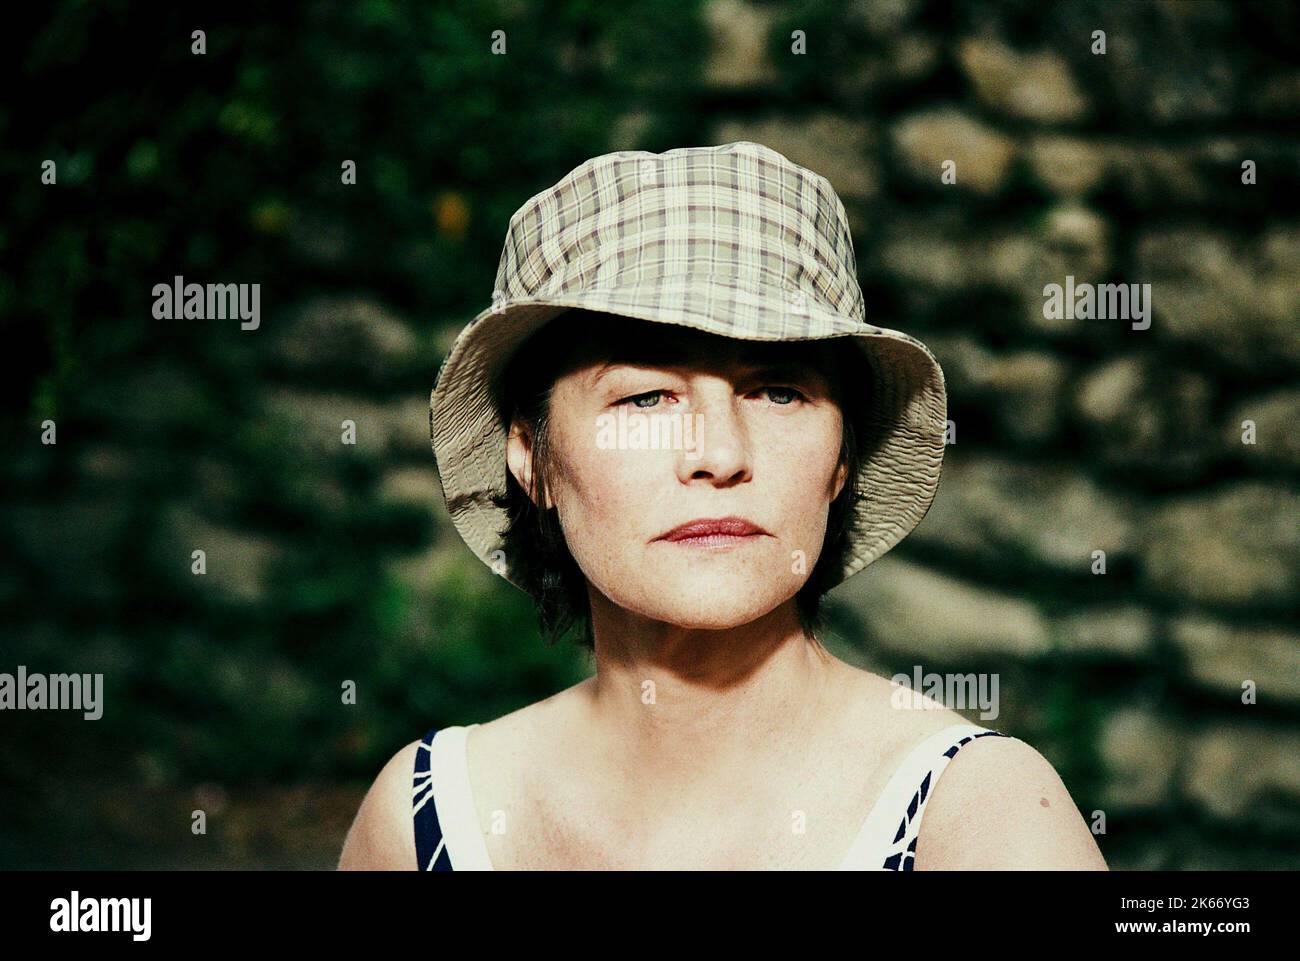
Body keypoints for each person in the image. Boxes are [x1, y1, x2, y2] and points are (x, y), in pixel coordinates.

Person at [339, 142, 1108, 871]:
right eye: (646, 396)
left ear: (841, 458)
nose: (721, 453)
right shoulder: (427, 819)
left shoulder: (975, 818)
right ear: (532, 457)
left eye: (779, 390)